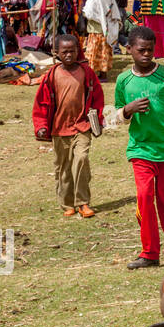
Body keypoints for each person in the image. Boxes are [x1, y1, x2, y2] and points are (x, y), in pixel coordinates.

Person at [114, 27, 164, 269]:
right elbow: (116, 116)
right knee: (144, 198)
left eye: (151, 50)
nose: (147, 54)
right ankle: (149, 252)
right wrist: (128, 109)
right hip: (140, 149)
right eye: (141, 50)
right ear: (129, 50)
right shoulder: (123, 80)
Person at [32, 33, 104, 218]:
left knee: (81, 159)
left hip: (82, 126)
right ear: (56, 52)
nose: (69, 55)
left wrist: (97, 121)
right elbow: (41, 104)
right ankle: (67, 203)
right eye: (65, 52)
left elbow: (97, 98)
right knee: (63, 168)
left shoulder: (86, 73)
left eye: (73, 51)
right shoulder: (51, 75)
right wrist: (41, 126)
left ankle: (83, 202)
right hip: (59, 128)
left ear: (78, 51)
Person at [82, 0, 121, 80]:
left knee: (93, 53)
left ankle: (92, 75)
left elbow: (88, 13)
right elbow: (114, 12)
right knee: (104, 53)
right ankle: (103, 75)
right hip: (107, 29)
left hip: (95, 30)